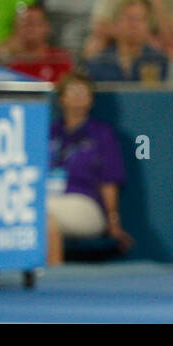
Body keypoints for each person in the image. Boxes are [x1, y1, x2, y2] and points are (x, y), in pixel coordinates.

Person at [47, 73, 131, 265]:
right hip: (47, 198)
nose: (78, 96)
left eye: (84, 92)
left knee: (40, 213)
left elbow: (109, 182)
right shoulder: (48, 132)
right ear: (61, 98)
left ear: (91, 100)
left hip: (84, 205)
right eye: (73, 91)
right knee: (42, 216)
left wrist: (113, 220)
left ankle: (52, 278)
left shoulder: (102, 134)